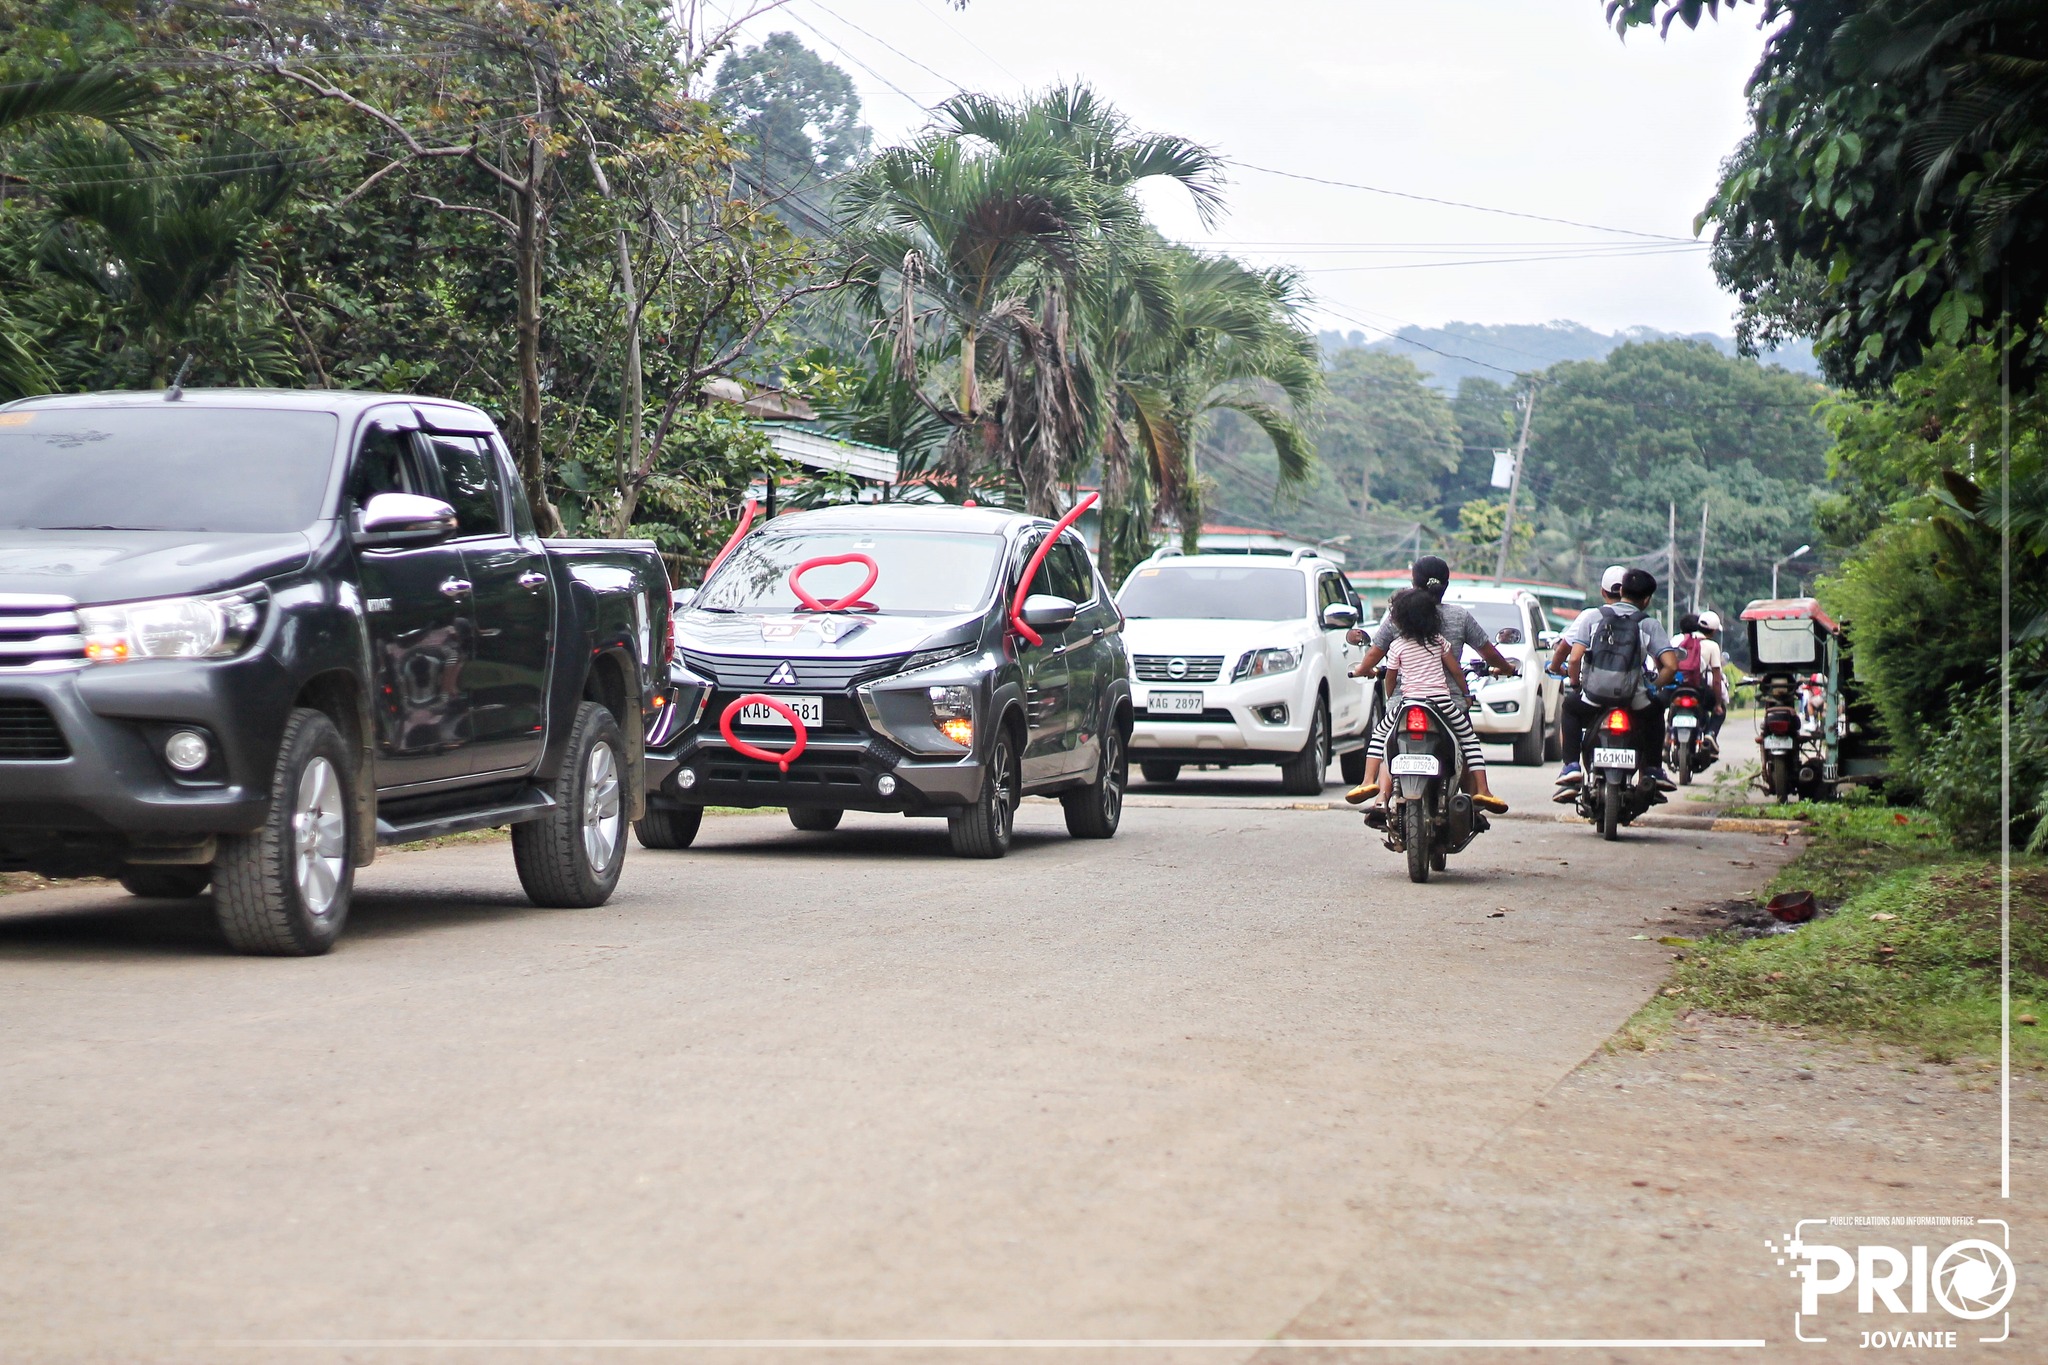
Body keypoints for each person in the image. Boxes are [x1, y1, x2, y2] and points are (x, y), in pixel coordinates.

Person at [1344, 555, 1517, 809]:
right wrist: (1502, 671)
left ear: (1414, 584)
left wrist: (1363, 671)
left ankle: (1378, 794)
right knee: (1468, 741)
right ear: (1445, 585)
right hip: (1448, 702)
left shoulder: (1398, 618)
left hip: (1404, 702)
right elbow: (1482, 656)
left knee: (1385, 739)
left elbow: (1376, 658)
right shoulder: (1457, 620)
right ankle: (1479, 795)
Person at [1553, 566, 1681, 798]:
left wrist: (1576, 683)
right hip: (1634, 698)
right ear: (1647, 599)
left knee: (1570, 708)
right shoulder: (1649, 624)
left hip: (1594, 695)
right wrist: (1652, 686)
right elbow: (1671, 666)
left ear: (1621, 591)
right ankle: (1653, 770)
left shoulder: (1593, 617)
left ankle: (1571, 767)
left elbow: (1574, 659)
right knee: (1655, 712)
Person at [1672, 610, 1728, 751]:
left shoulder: (1679, 640)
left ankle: (1668, 737)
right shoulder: (1712, 646)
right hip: (1697, 688)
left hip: (1676, 686)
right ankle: (1710, 734)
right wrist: (1718, 704)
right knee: (1721, 711)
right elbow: (1716, 680)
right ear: (1714, 631)